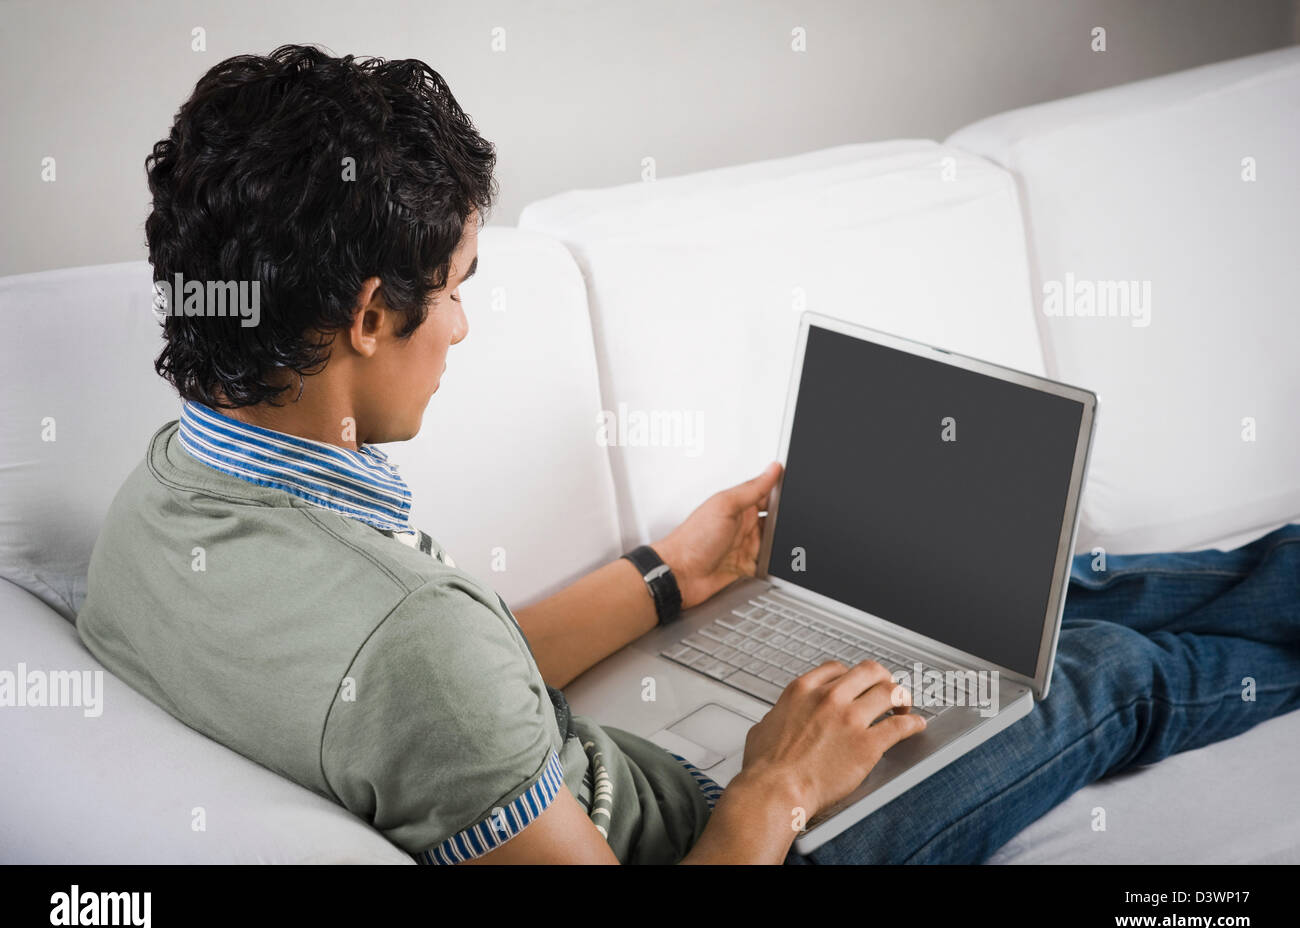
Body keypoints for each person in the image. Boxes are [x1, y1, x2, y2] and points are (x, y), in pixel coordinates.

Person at [76, 44, 1300, 866]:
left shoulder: (162, 505)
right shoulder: (410, 644)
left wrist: (673, 572)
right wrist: (777, 780)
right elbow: (432, 677)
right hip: (744, 831)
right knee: (1105, 672)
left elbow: (437, 695)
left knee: (1029, 597)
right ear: (361, 316)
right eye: (452, 290)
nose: (461, 325)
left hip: (609, 753)